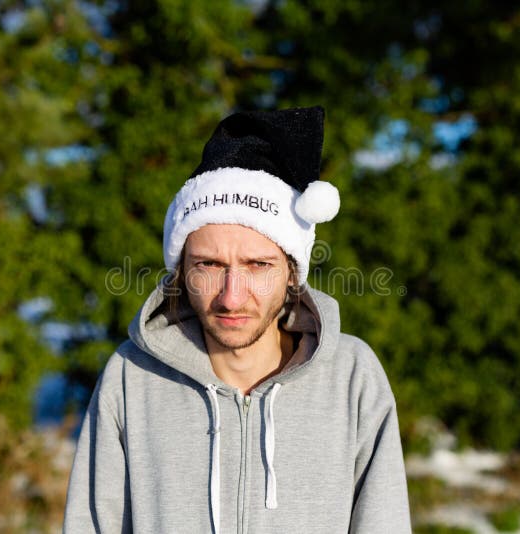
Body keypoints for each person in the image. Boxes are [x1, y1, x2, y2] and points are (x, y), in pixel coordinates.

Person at [63, 106, 411, 533]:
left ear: (292, 272)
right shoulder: (132, 378)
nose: (231, 297)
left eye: (258, 265)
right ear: (181, 270)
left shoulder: (352, 377)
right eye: (208, 264)